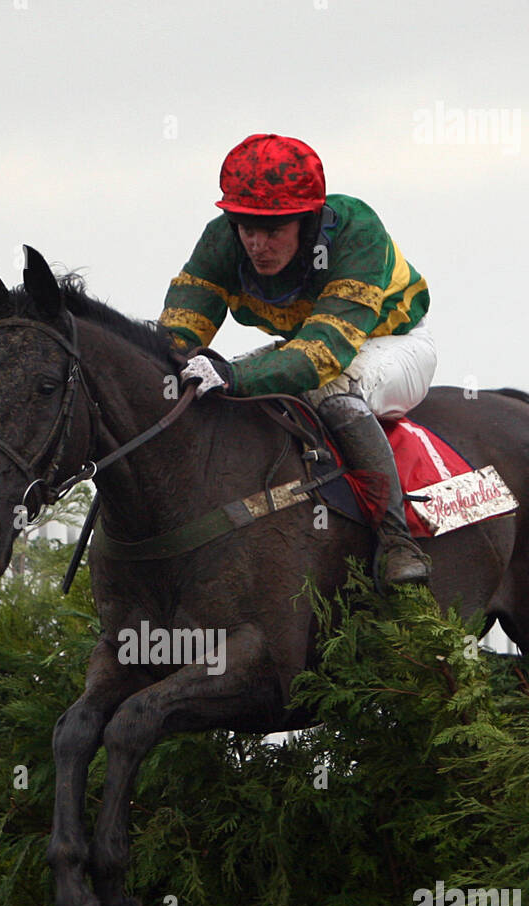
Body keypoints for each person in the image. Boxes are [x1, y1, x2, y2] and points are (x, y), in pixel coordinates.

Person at [158, 132, 436, 586]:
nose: (257, 244)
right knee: (210, 388)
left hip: (394, 343)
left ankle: (397, 543)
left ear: (307, 223)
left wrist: (231, 374)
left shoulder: (356, 231)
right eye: (246, 228)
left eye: (272, 230)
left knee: (330, 392)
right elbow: (177, 334)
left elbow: (322, 356)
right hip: (306, 343)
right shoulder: (223, 241)